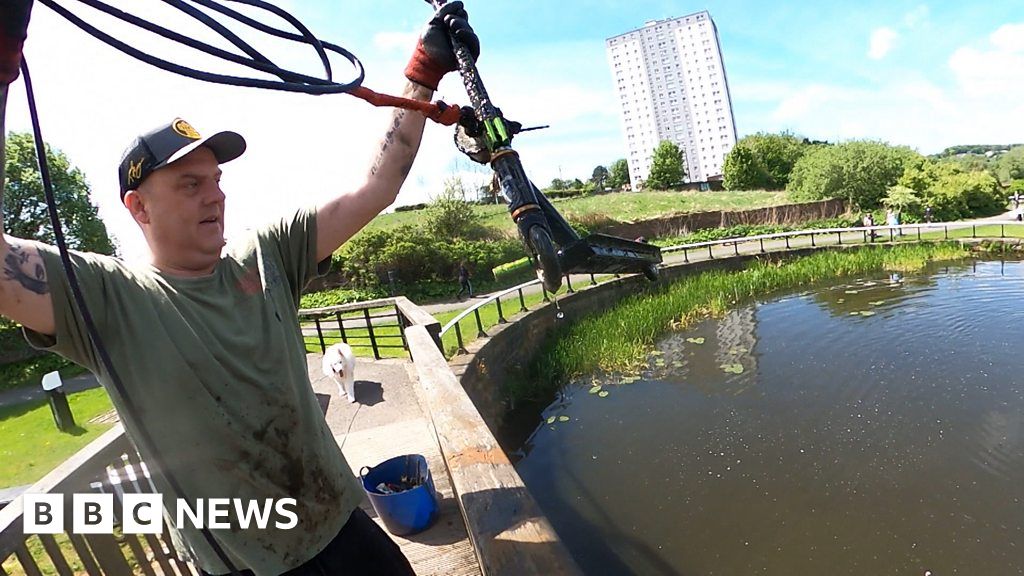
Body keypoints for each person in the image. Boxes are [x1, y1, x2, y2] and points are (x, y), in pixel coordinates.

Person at [0, 2, 479, 575]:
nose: (216, 196)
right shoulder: (103, 298)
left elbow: (377, 186)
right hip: (249, 566)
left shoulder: (268, 255)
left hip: (345, 529)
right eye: (190, 184)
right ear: (138, 206)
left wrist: (422, 72)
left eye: (218, 181)